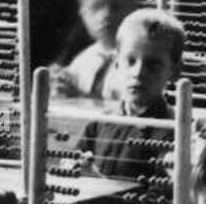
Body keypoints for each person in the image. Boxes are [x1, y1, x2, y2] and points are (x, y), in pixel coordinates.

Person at [75, 9, 184, 180]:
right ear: (116, 62)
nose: (138, 72)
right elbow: (74, 165)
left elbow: (165, 197)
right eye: (130, 61)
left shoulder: (175, 132)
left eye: (153, 65)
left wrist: (97, 181)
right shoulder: (98, 124)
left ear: (174, 71)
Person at [51, 0, 140, 101]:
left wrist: (80, 98)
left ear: (134, 9)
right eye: (96, 7)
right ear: (83, 13)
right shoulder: (83, 61)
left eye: (115, 6)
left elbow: (133, 114)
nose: (105, 15)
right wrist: (57, 87)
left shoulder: (141, 60)